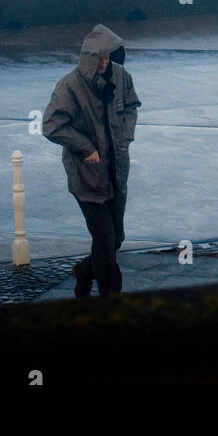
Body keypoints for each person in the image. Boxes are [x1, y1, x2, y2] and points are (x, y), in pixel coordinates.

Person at [42, 24, 141, 298]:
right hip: (87, 177)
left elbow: (131, 107)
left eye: (109, 58)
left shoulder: (121, 77)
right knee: (105, 241)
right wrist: (85, 148)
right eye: (100, 58)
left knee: (115, 240)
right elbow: (51, 125)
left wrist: (125, 136)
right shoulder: (69, 86)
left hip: (116, 173)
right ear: (89, 58)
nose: (104, 64)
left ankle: (85, 270)